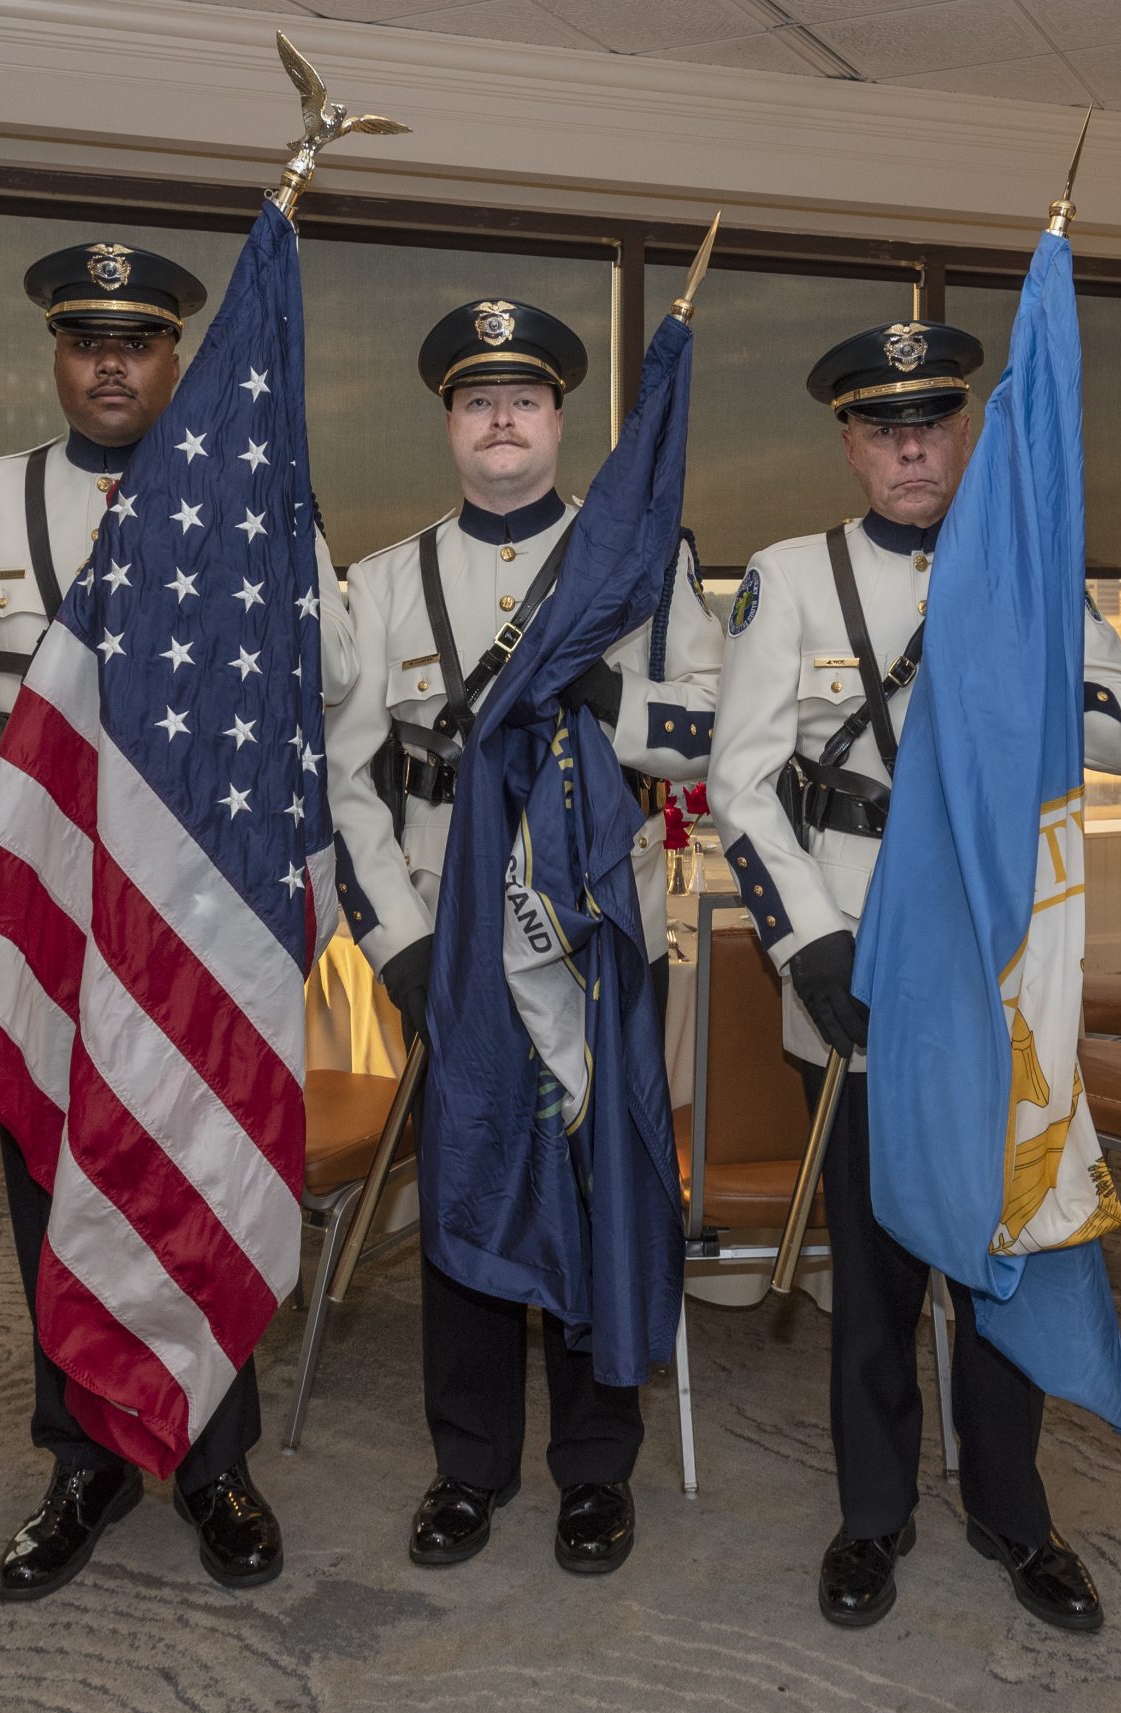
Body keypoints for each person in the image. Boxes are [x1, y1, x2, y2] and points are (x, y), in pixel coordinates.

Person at [0, 242, 326, 1600]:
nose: (113, 363)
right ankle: (82, 1458)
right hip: (44, 916)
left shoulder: (248, 500)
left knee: (213, 1177)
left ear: (178, 359)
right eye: (86, 340)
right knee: (52, 1186)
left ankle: (216, 1459)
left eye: (138, 340)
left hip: (202, 930)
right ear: (57, 357)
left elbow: (326, 691)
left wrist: (271, 528)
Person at [707, 320, 1121, 1632]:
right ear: (851, 446)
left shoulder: (1024, 565)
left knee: (1000, 1258)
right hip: (856, 973)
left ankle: (1017, 1515)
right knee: (876, 1276)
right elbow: (742, 784)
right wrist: (813, 946)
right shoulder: (793, 578)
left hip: (1001, 978)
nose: (912, 447)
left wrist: (1032, 684)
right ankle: (873, 1514)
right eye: (882, 427)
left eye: (934, 423)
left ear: (966, 436)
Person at [325, 297, 724, 1575]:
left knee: (599, 1184)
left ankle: (595, 1466)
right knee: (469, 1190)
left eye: (527, 399)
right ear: (450, 423)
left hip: (596, 938)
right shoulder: (384, 586)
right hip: (448, 940)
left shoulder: (639, 571)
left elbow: (711, 730)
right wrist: (393, 940)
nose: (502, 419)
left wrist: (612, 691)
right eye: (478, 400)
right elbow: (347, 784)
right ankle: (470, 1463)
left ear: (562, 421)